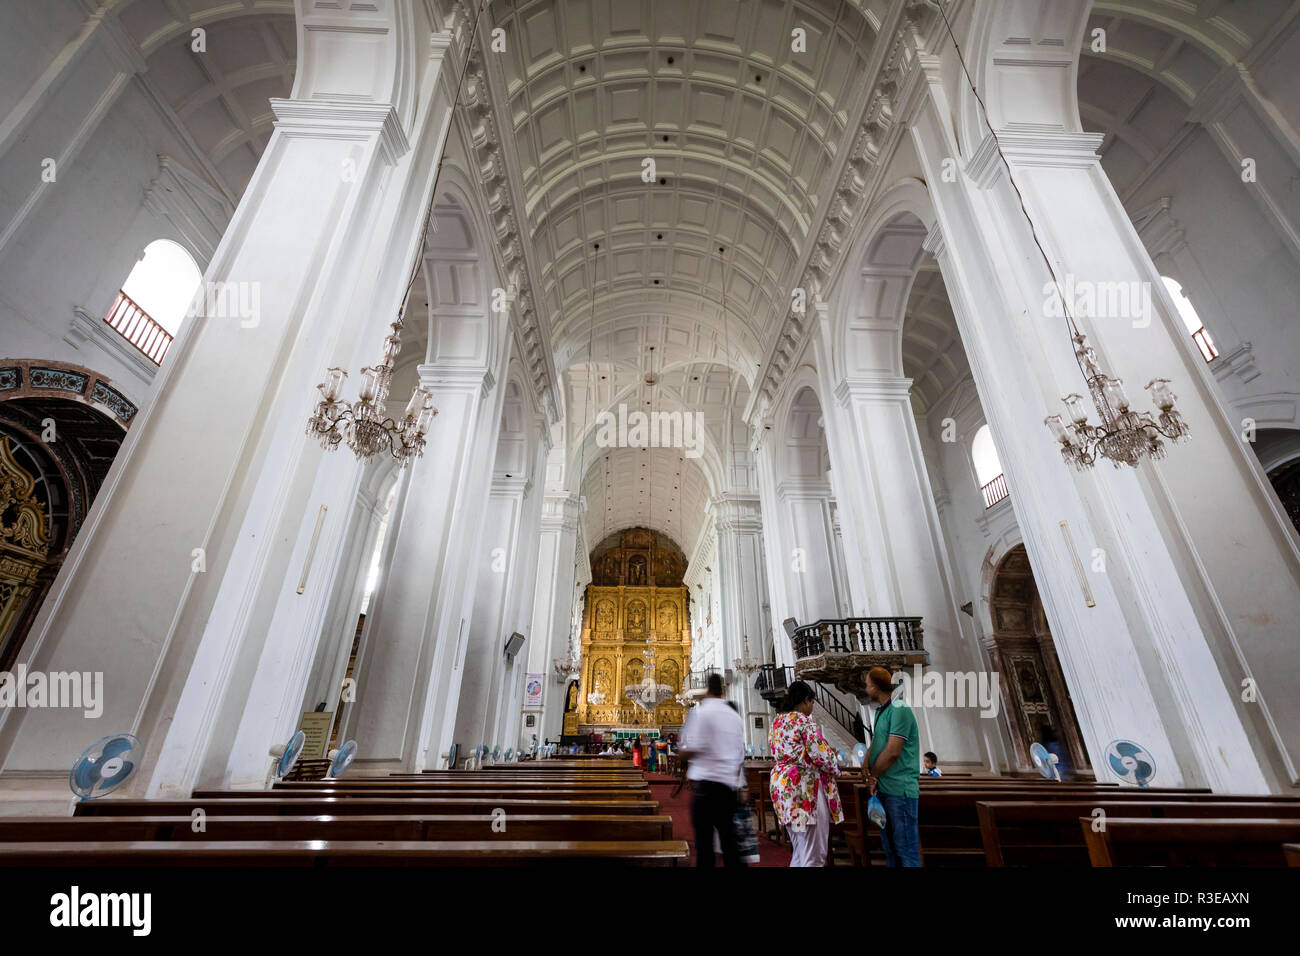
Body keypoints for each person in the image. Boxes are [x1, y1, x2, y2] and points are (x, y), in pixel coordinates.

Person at [769, 680, 842, 867]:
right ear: (806, 700)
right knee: (814, 854)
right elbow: (820, 754)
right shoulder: (803, 720)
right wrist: (836, 767)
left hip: (783, 788)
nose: (811, 708)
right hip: (803, 790)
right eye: (811, 703)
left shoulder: (777, 722)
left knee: (801, 849)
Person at [678, 672, 747, 867]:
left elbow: (690, 749)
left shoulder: (701, 712)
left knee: (704, 845)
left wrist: (682, 753)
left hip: (706, 790)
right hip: (728, 788)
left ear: (707, 689)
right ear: (722, 690)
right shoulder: (734, 716)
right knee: (729, 842)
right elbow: (740, 753)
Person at [862, 666, 921, 867]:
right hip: (884, 790)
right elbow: (878, 742)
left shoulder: (900, 709)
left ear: (876, 687)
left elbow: (893, 751)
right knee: (890, 847)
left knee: (905, 848)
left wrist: (874, 775)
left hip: (899, 790)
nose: (866, 688)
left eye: (868, 685)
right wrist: (865, 764)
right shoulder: (882, 711)